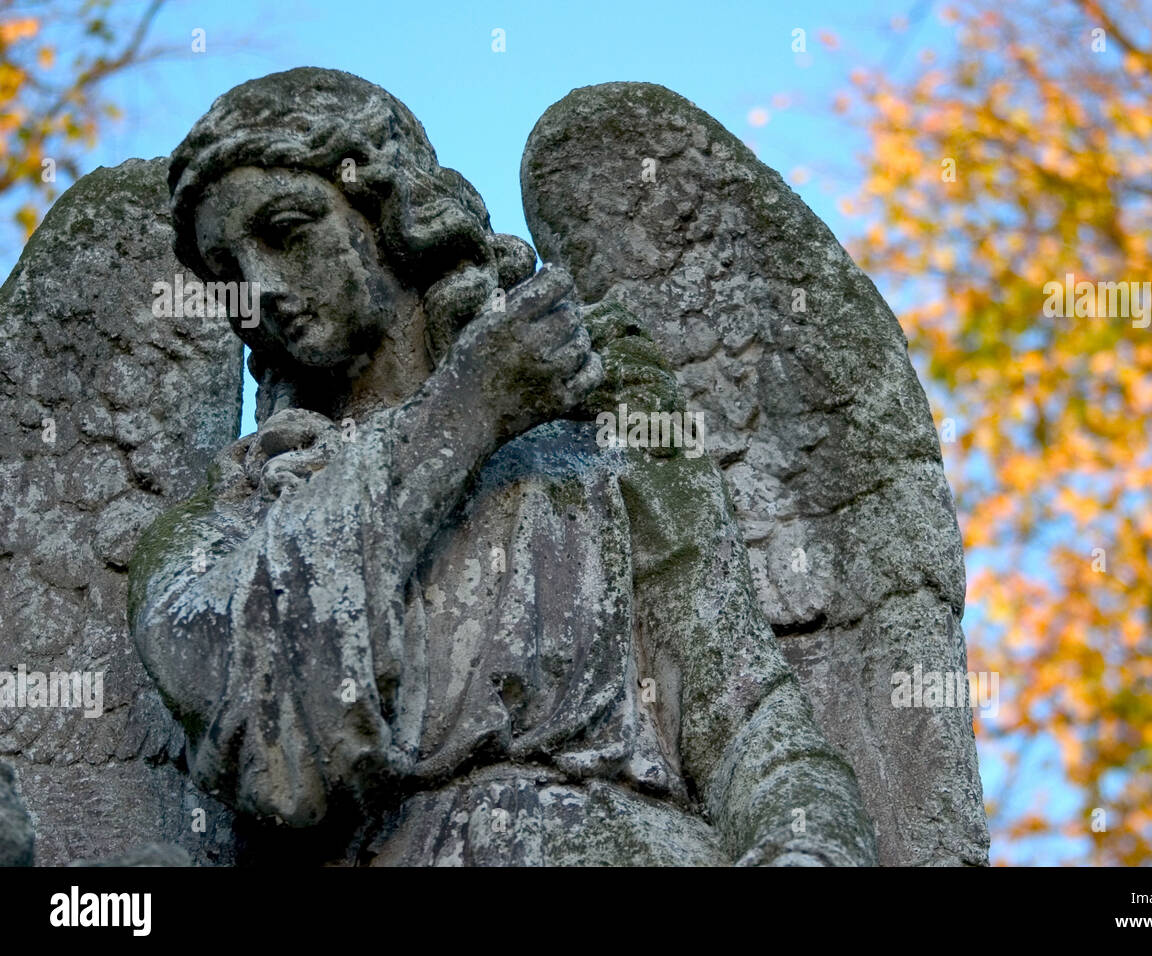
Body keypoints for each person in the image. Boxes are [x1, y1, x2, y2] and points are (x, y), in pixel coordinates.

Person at [128, 67, 875, 866]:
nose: (261, 290)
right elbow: (276, 763)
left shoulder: (596, 421)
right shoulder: (229, 523)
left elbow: (748, 722)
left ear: (390, 216)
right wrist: (465, 412)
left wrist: (805, 852)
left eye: (286, 229)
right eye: (228, 272)